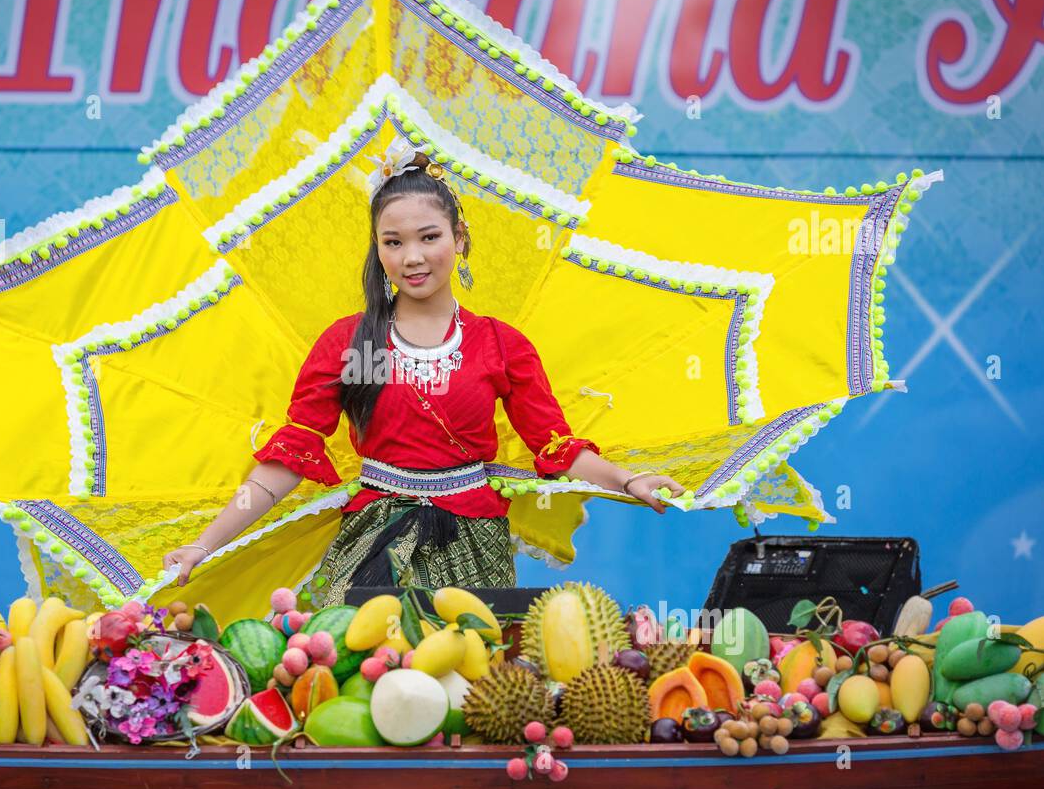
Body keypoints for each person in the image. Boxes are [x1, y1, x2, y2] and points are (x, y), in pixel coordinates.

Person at [163, 139, 684, 602]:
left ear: (459, 239)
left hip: (474, 546)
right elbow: (289, 459)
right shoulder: (356, 344)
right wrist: (203, 544)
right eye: (393, 242)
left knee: (471, 693)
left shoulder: (498, 346)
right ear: (379, 250)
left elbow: (557, 449)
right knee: (349, 687)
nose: (412, 257)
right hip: (371, 550)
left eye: (428, 237)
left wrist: (629, 480)